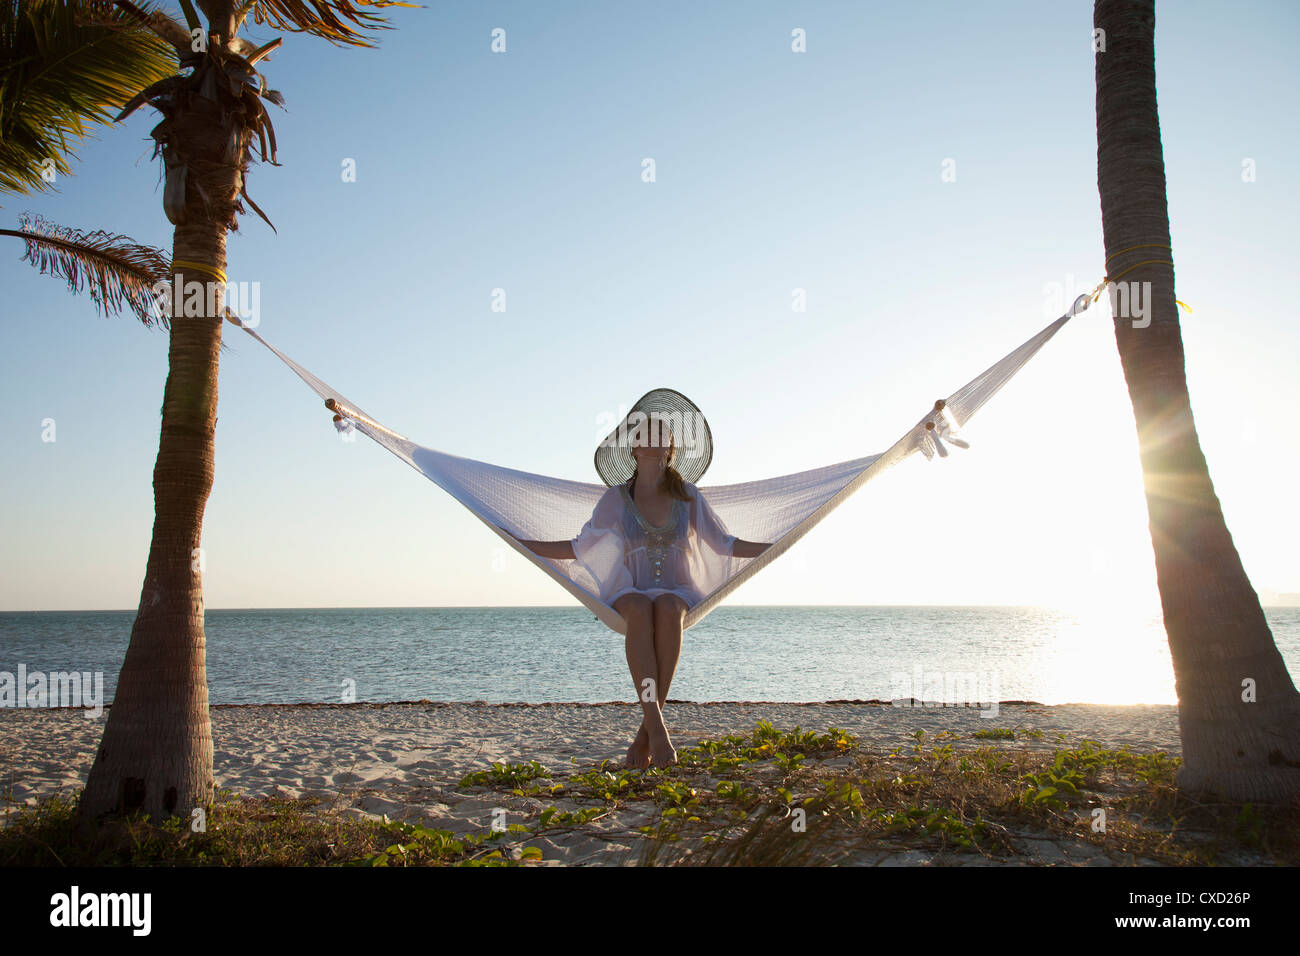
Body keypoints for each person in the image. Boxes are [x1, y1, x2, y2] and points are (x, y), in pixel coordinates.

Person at [511, 393, 771, 769]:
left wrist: (777, 545)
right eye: (643, 433)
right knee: (640, 607)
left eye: (660, 433)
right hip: (629, 590)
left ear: (670, 449)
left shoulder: (689, 497)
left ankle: (645, 734)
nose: (651, 438)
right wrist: (520, 543)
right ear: (633, 448)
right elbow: (579, 545)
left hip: (679, 591)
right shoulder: (616, 499)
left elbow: (724, 544)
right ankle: (658, 733)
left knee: (666, 607)